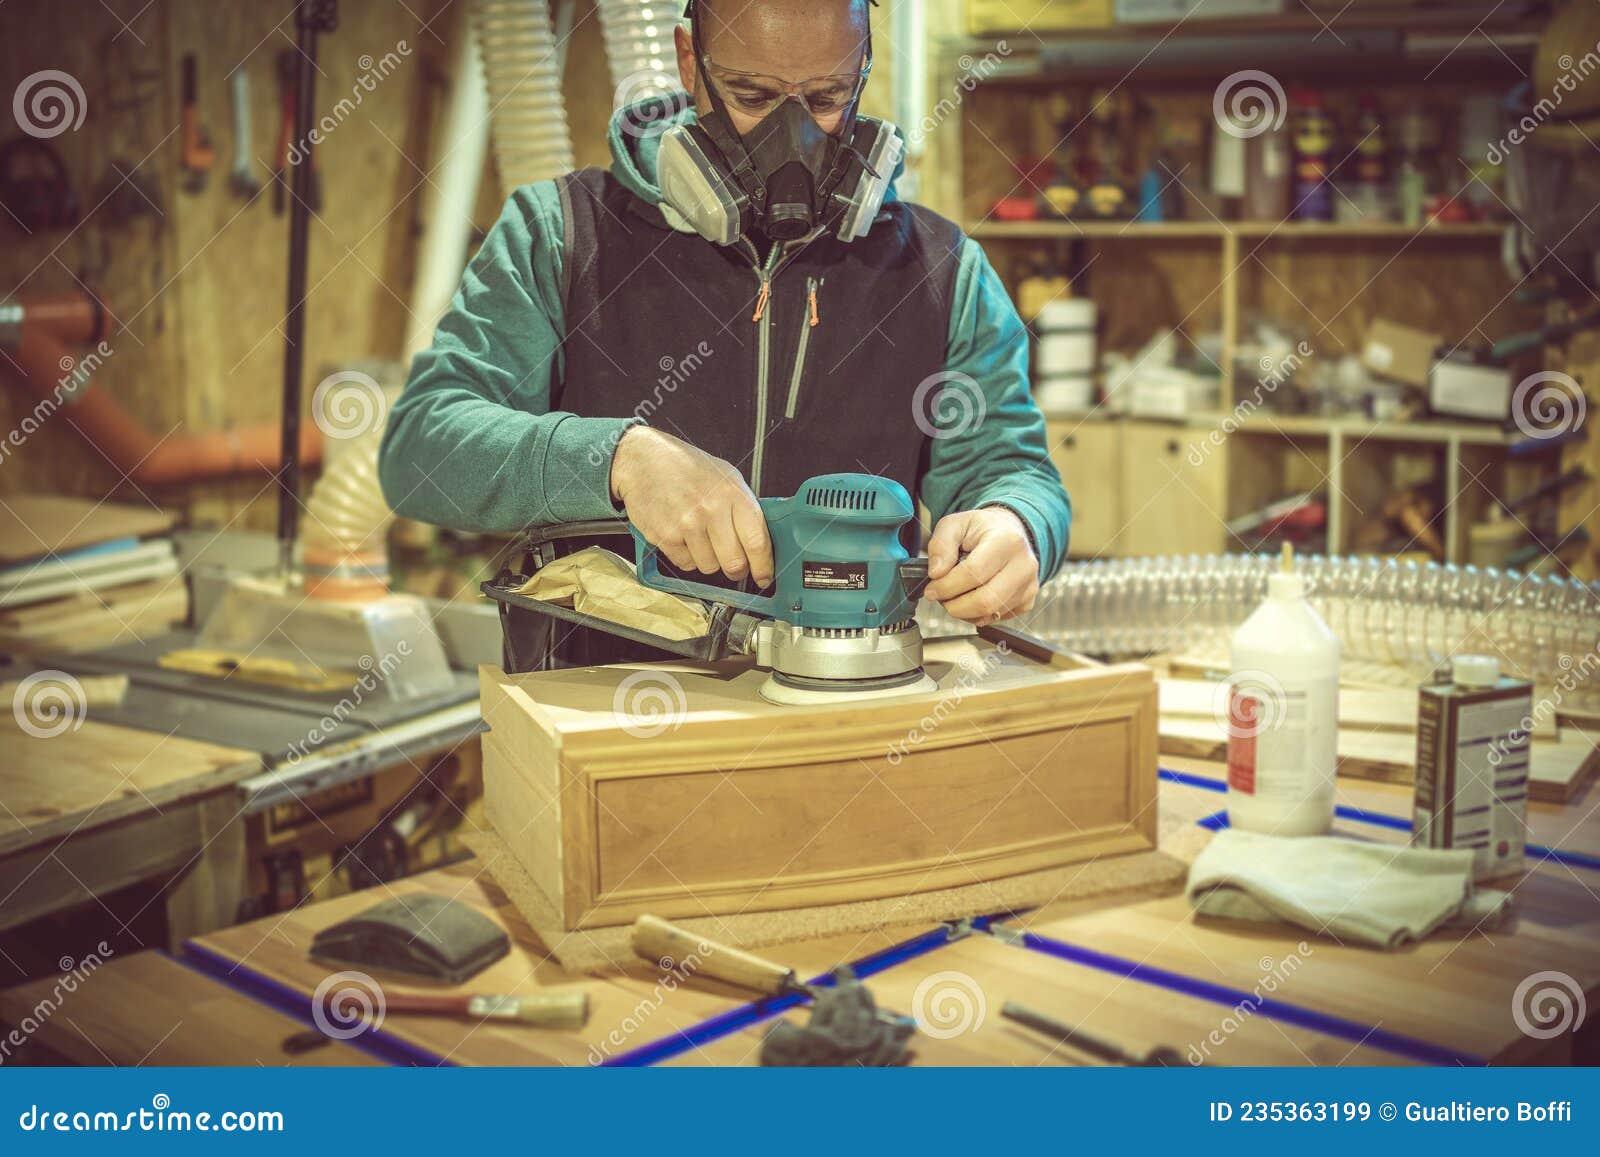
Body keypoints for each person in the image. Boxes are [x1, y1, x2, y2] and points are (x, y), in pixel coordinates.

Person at [378, 0, 1070, 641]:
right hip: (604, 723)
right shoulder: (558, 234)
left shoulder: (940, 270)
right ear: (689, 62)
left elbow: (1008, 468)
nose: (792, 136)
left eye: (827, 99)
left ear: (863, 68)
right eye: (752, 96)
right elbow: (421, 449)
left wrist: (1019, 523)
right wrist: (618, 458)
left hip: (849, 709)